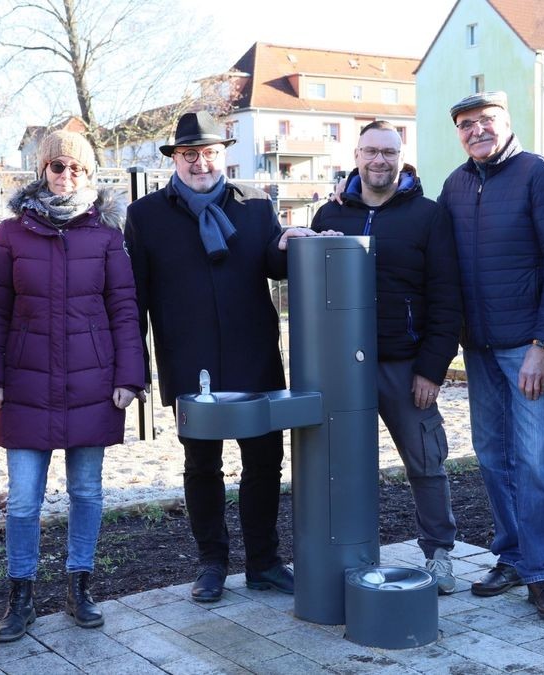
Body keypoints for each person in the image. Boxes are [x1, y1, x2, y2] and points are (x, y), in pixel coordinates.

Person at [124, 111, 317, 603]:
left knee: (264, 462)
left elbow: (271, 267)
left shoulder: (254, 205)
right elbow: (136, 298)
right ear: (176, 158)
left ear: (223, 156)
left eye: (209, 153)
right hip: (190, 361)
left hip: (254, 354)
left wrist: (290, 244)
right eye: (190, 154)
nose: (200, 163)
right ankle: (211, 563)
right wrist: (137, 368)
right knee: (201, 465)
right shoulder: (146, 215)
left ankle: (264, 562)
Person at [0, 131, 145, 640]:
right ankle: (21, 596)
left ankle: (79, 588)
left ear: (90, 175)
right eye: (57, 167)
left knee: (86, 492)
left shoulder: (107, 236)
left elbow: (124, 310)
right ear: (41, 170)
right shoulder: (12, 233)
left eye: (77, 168)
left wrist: (129, 376)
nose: (66, 176)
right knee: (25, 499)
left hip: (93, 383)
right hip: (25, 384)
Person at [438, 91, 544, 619]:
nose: (477, 130)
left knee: (534, 459)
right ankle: (513, 556)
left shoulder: (537, 173)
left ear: (506, 121)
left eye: (486, 120)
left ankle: (543, 572)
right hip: (478, 347)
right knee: (492, 455)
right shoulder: (455, 184)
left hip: (527, 347)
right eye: (466, 123)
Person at [310, 120, 462, 594]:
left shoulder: (428, 216)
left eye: (389, 153)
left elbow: (446, 297)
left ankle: (438, 555)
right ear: (356, 155)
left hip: (404, 364)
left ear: (401, 157)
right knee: (338, 465)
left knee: (426, 461)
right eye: (371, 151)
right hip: (342, 367)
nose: (380, 161)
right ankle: (342, 558)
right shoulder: (329, 215)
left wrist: (431, 369)